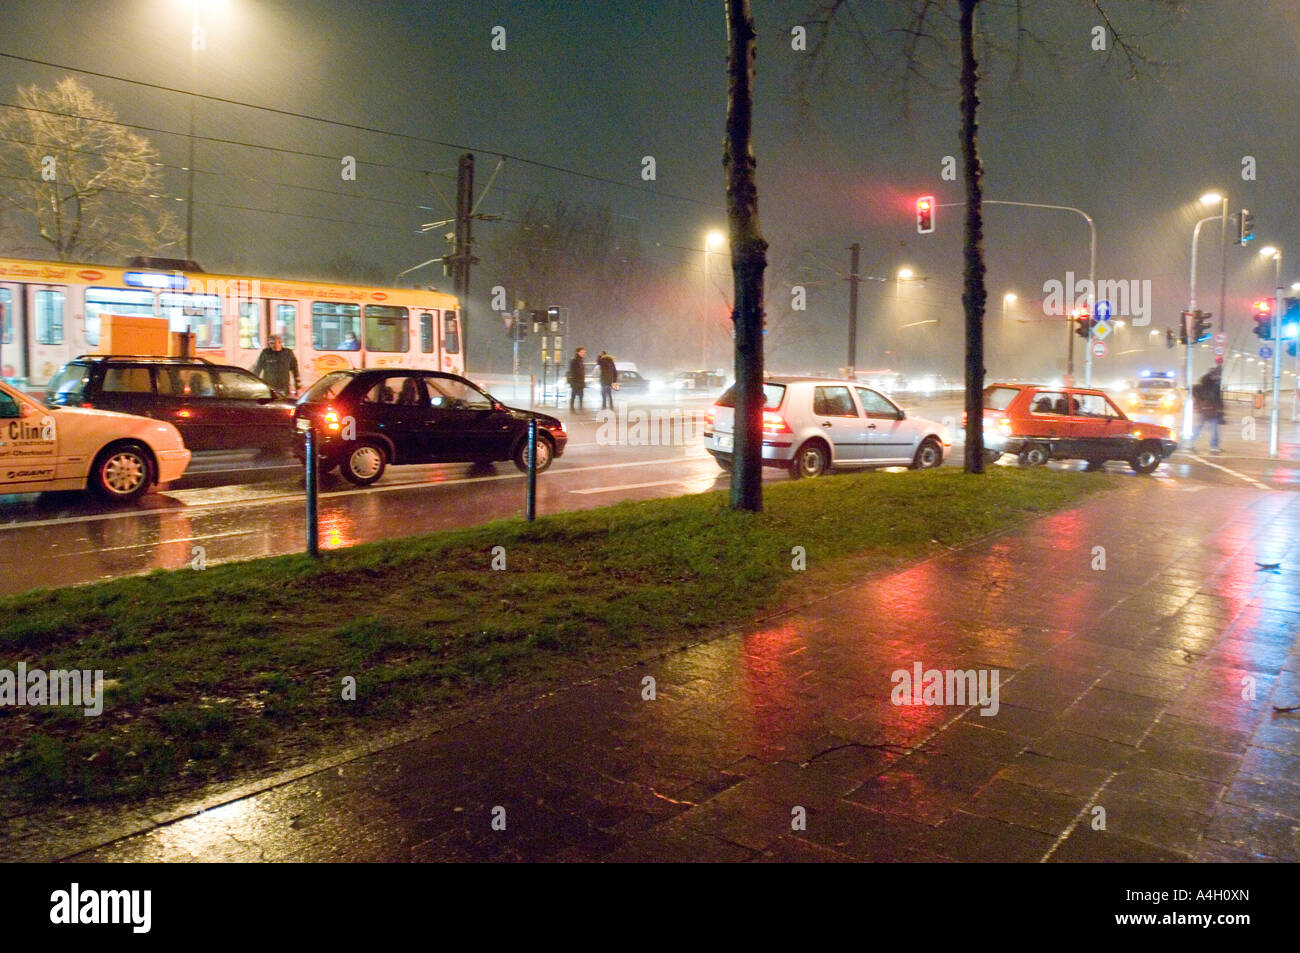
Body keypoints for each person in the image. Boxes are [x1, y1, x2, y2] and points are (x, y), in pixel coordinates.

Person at [1190, 365, 1224, 454]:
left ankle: (1190, 444)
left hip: (1202, 410)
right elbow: (1217, 399)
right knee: (1213, 429)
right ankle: (1214, 446)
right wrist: (1220, 409)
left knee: (1198, 428)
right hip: (1211, 410)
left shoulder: (1200, 386)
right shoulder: (1214, 386)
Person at [567, 347, 587, 412]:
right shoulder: (575, 360)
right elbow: (573, 370)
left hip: (580, 380)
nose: (583, 353)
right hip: (576, 380)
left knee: (581, 395)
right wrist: (576, 377)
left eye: (584, 352)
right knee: (574, 395)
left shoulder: (581, 360)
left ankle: (580, 408)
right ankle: (572, 408)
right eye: (582, 352)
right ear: (578, 352)